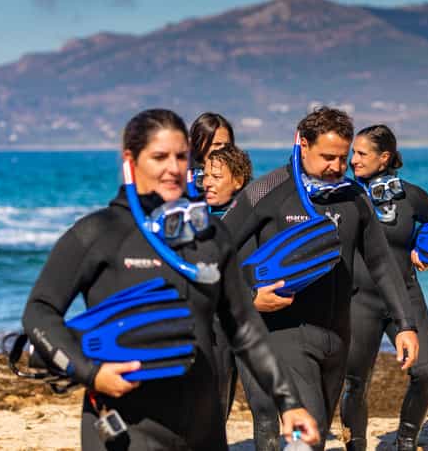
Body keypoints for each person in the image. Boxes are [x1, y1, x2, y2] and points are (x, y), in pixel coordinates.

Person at [21, 108, 318, 450]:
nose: (173, 168)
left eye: (181, 156)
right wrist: (91, 373)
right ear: (130, 160)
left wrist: (288, 402)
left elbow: (245, 328)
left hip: (202, 426)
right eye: (159, 157)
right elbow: (39, 313)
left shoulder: (209, 236)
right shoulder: (98, 233)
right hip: (127, 427)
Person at [222, 107, 420, 451]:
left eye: (343, 158)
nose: (337, 166)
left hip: (337, 338)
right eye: (327, 157)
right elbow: (213, 254)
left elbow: (381, 263)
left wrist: (405, 324)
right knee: (307, 439)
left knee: (307, 439)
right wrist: (249, 294)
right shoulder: (268, 190)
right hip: (285, 335)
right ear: (302, 144)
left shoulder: (354, 196)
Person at [340, 124, 428, 451]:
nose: (352, 160)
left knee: (426, 371)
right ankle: (355, 445)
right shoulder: (343, 196)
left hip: (406, 296)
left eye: (361, 154)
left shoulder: (412, 196)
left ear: (384, 158)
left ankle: (405, 443)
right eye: (352, 153)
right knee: (355, 383)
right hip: (360, 302)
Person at [200, 143, 254, 419]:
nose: (207, 183)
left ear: (238, 181)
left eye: (216, 177)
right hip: (209, 326)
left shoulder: (256, 219)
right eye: (205, 176)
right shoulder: (197, 218)